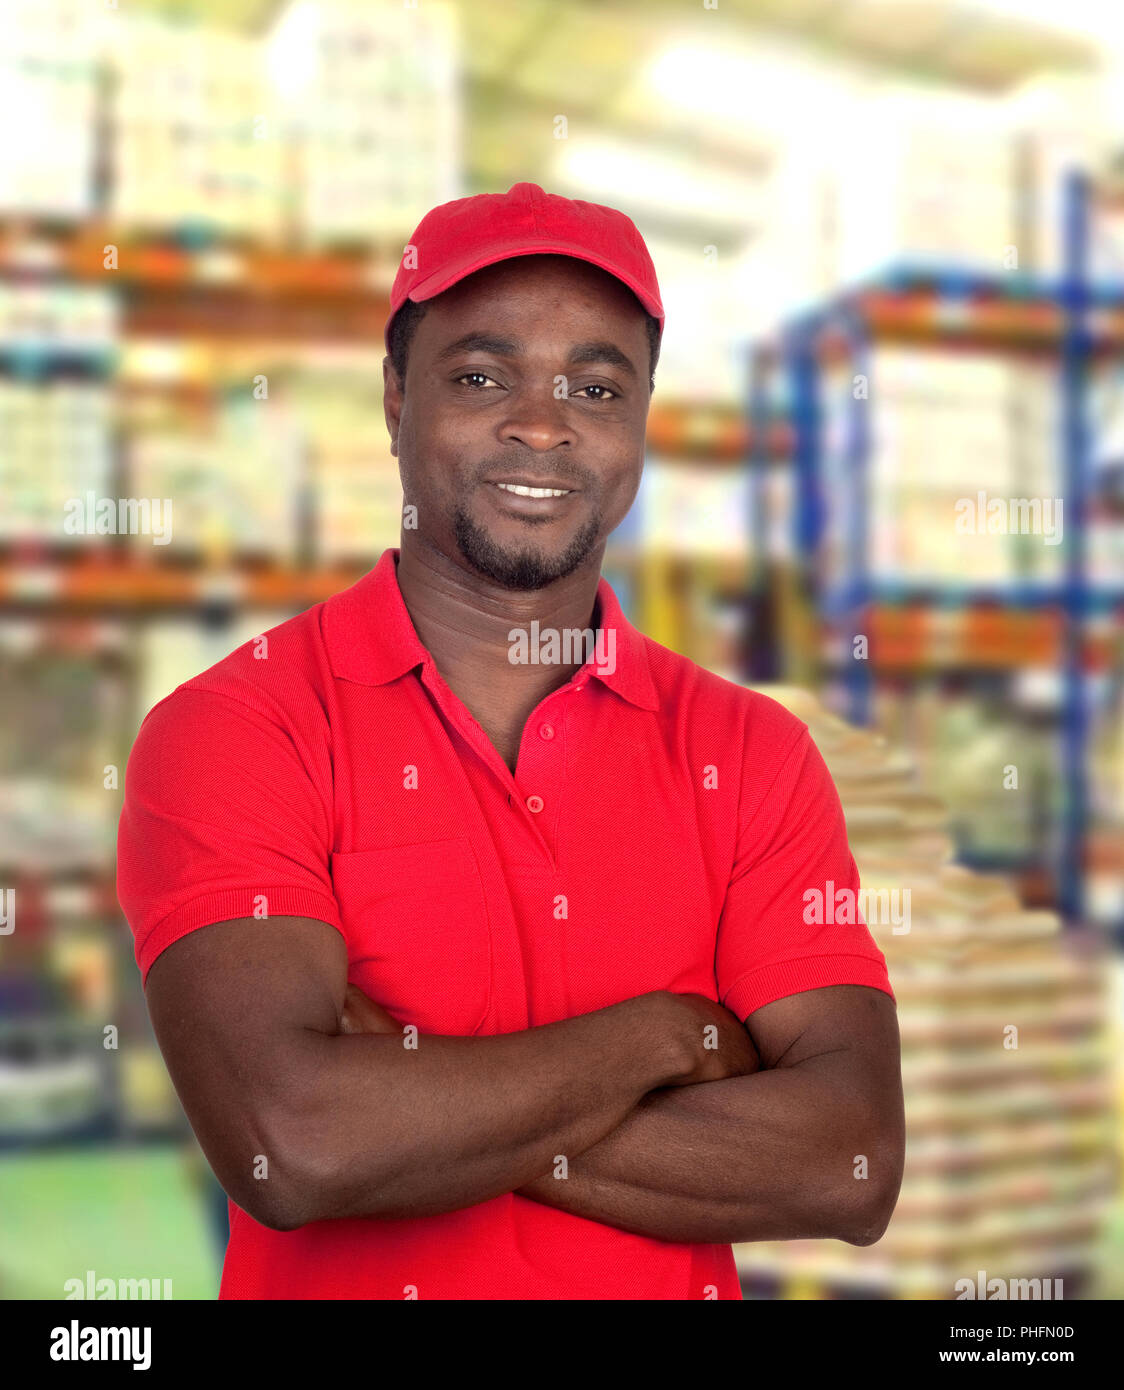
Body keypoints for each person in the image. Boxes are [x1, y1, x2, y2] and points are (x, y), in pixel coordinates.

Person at [116, 182, 904, 1300]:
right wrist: (666, 1039)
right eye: (482, 377)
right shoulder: (238, 729)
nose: (543, 424)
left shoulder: (751, 752)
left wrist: (413, 1099)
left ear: (639, 421)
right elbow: (292, 1143)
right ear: (394, 399)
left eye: (594, 385)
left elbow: (850, 1161)